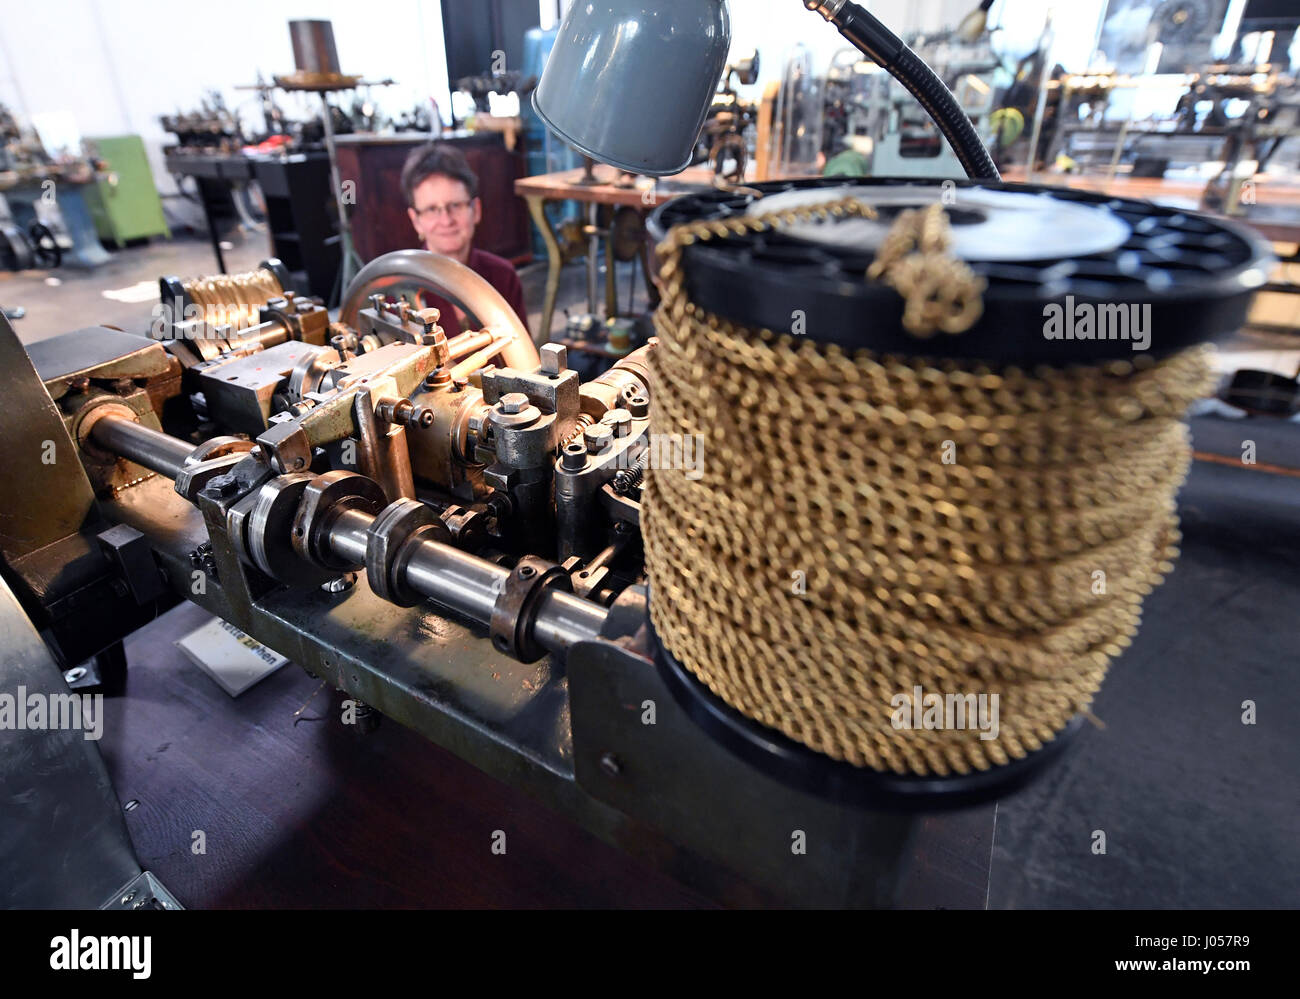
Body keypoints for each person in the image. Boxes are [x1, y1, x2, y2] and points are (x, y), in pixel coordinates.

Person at [400, 143, 530, 338]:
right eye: (432, 209)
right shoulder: (399, 293)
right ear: (415, 220)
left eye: (456, 205)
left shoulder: (504, 276)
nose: (446, 220)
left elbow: (523, 356)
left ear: (476, 210)